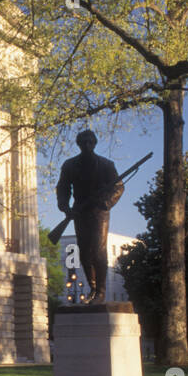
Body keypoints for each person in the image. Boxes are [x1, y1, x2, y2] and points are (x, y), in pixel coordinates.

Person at [56, 130, 125, 305]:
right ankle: (93, 289)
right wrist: (66, 208)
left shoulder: (106, 165)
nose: (87, 145)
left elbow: (118, 187)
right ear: (79, 144)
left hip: (99, 212)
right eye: (83, 142)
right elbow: (63, 188)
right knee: (84, 253)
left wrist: (107, 203)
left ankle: (101, 291)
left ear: (94, 143)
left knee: (99, 251)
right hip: (80, 211)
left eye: (90, 142)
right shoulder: (69, 165)